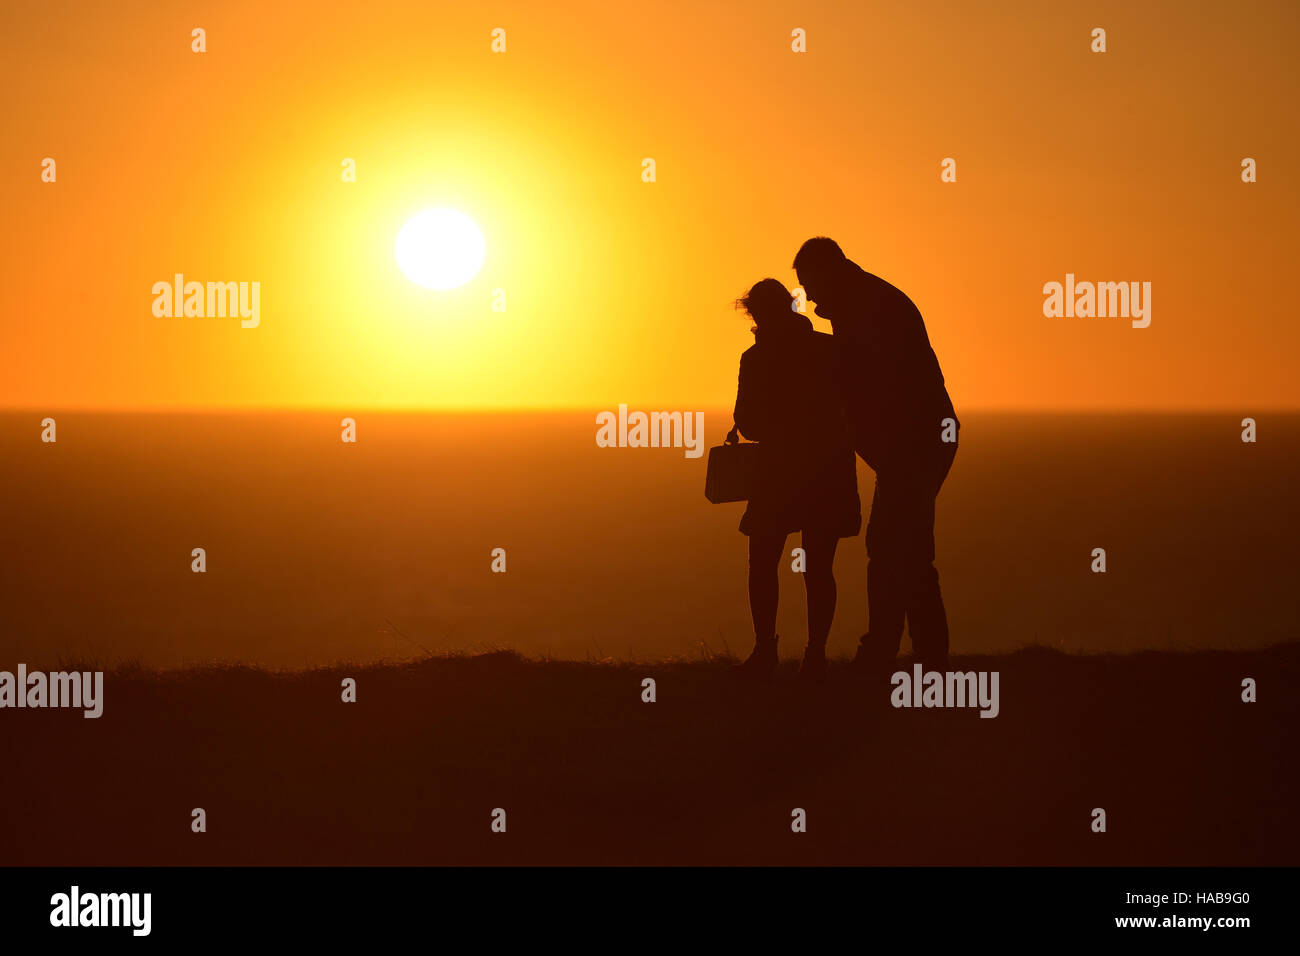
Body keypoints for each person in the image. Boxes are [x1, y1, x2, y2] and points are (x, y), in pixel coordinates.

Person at [792, 237, 958, 676]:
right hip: (916, 441)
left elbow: (868, 383)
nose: (808, 297)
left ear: (830, 271)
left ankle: (891, 652)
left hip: (914, 441)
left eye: (810, 284)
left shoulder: (867, 309)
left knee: (894, 546)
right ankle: (919, 655)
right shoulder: (865, 302)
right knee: (904, 546)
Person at [729, 278, 861, 682]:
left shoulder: (754, 360)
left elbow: (747, 423)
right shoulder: (829, 350)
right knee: (818, 567)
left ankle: (765, 649)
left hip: (777, 472)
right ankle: (815, 654)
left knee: (763, 562)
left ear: (755, 313)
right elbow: (852, 406)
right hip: (828, 469)